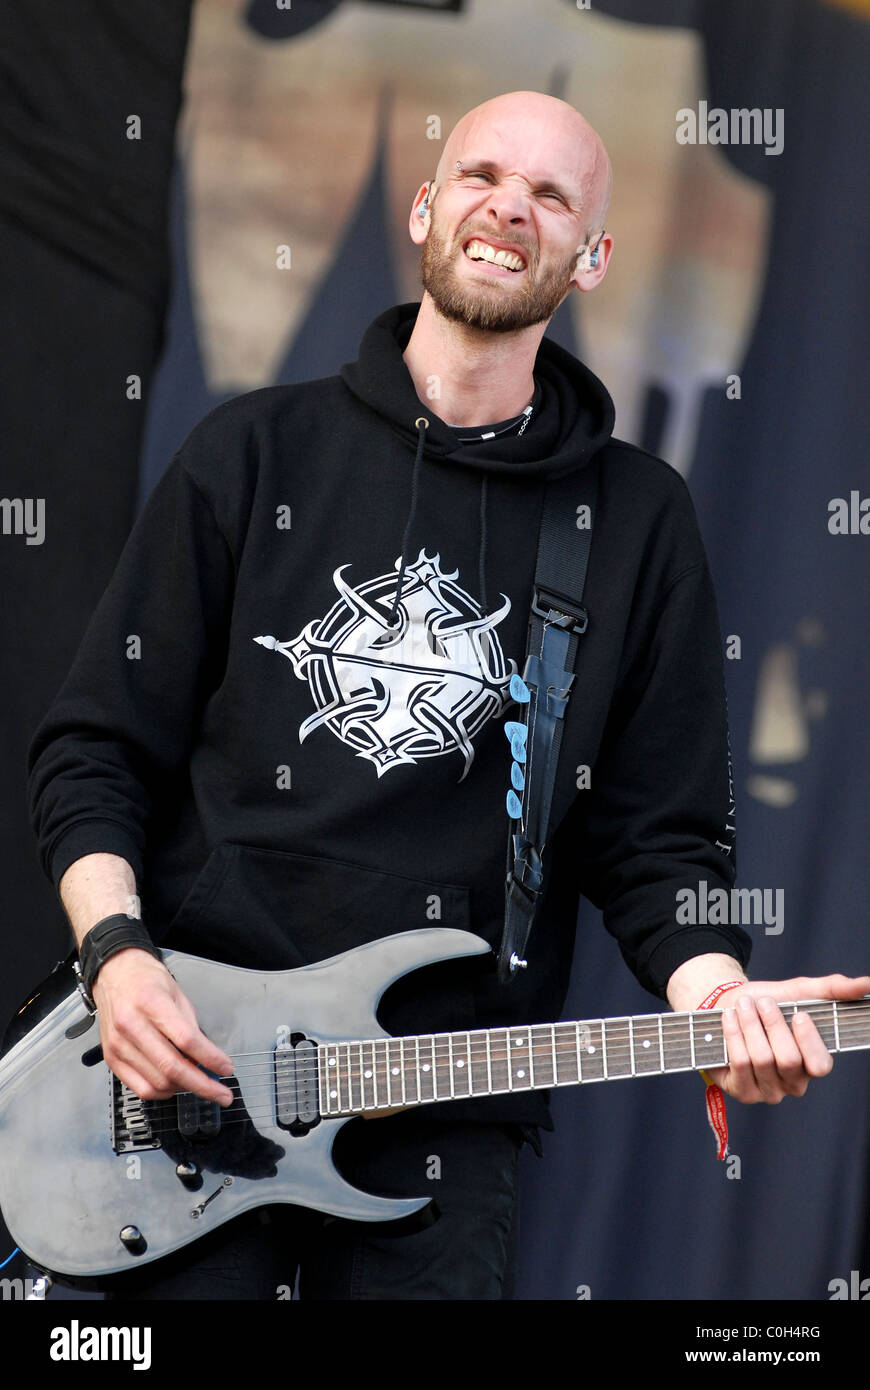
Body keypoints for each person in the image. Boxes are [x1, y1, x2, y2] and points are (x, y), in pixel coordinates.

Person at [27, 90, 869, 1300]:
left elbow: (659, 839)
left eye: (550, 197)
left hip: (448, 1114)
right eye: (481, 175)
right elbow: (94, 751)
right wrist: (116, 959)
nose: (507, 210)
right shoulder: (253, 455)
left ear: (592, 257)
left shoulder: (632, 520)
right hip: (188, 1076)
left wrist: (722, 998)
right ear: (426, 207)